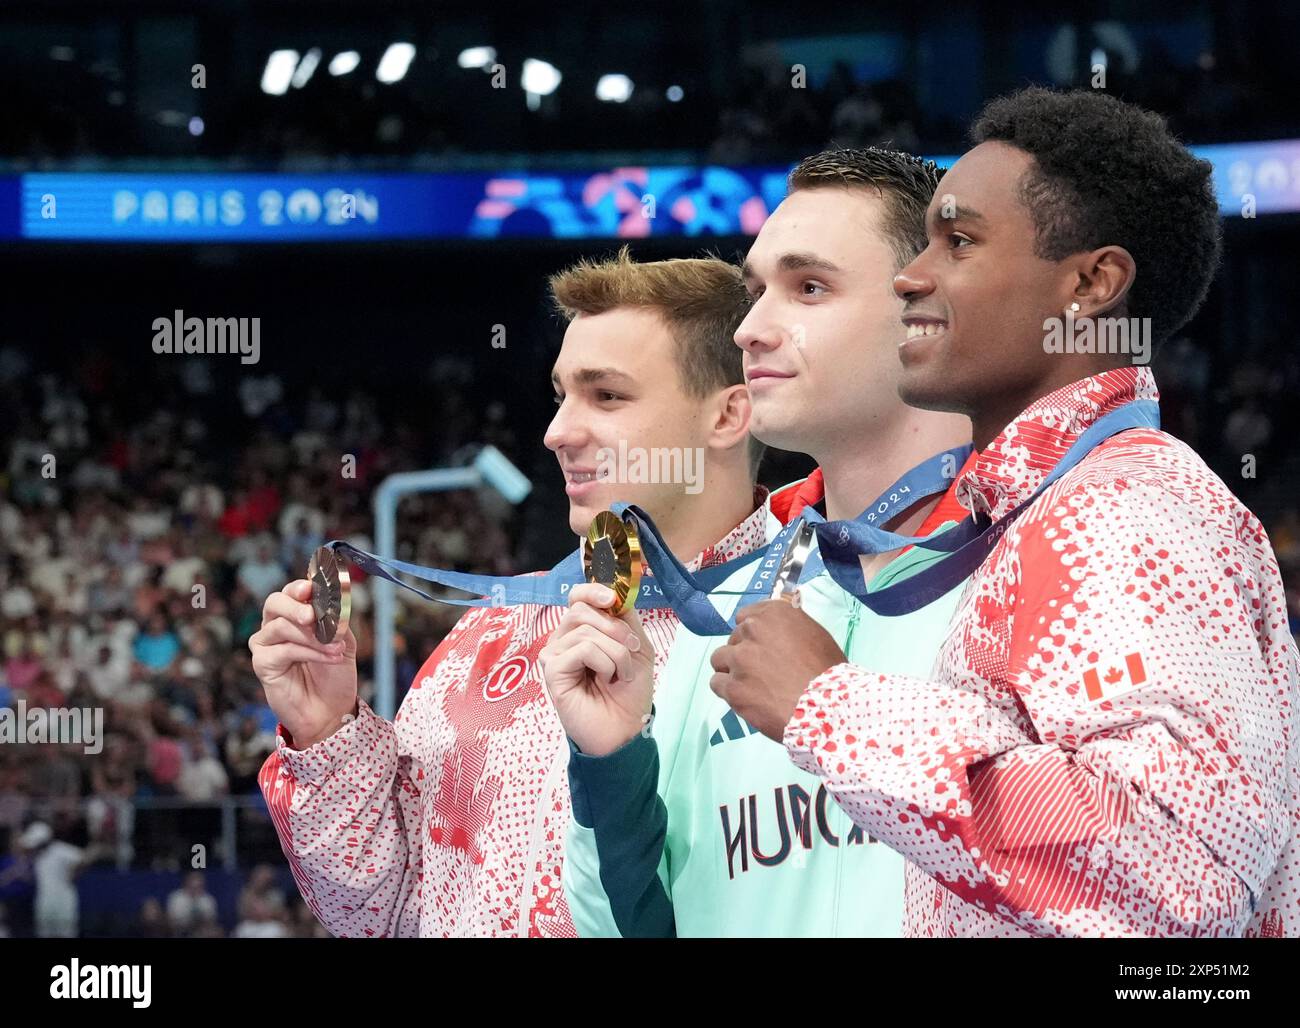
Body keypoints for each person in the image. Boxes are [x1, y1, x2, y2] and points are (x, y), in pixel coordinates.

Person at [710, 86, 1300, 936]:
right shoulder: (1047, 506)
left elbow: (1178, 869)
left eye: (959, 243)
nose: (914, 276)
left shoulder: (1123, 507)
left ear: (1092, 284)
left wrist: (829, 705)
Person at [254, 249, 769, 936]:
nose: (558, 432)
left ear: (730, 416)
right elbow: (386, 915)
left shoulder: (806, 629)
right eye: (562, 395)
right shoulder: (489, 633)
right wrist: (328, 735)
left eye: (607, 395)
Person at [546, 148, 973, 936]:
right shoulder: (717, 614)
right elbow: (632, 927)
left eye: (808, 288)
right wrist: (612, 767)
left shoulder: (1045, 558)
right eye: (754, 292)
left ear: (930, 307)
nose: (750, 329)